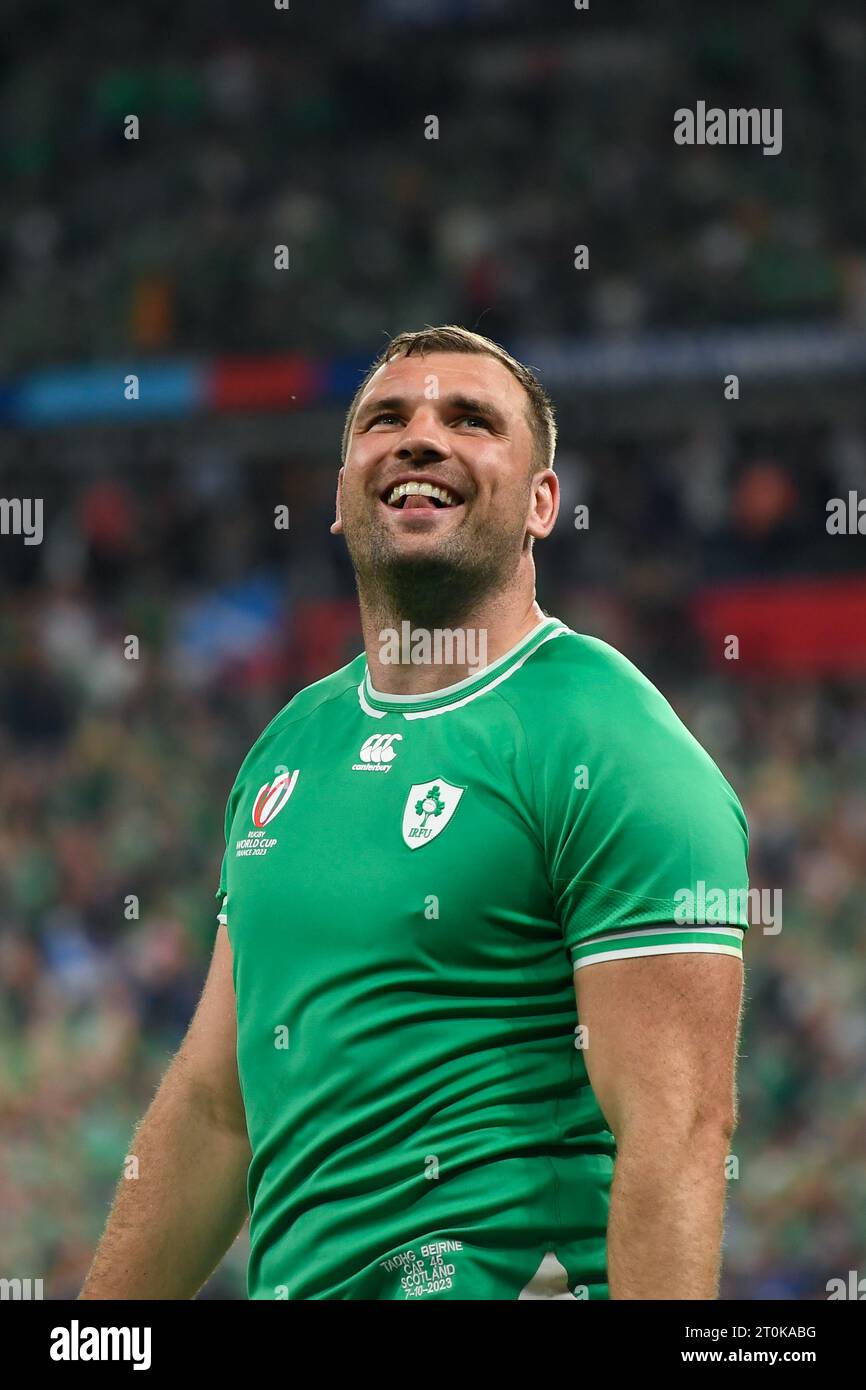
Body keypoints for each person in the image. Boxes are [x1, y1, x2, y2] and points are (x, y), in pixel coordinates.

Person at [80, 325, 748, 1301]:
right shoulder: (288, 747)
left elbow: (680, 1131)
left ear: (541, 502)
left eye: (469, 420)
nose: (420, 437)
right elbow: (215, 1107)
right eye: (384, 418)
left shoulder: (611, 743)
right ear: (341, 497)